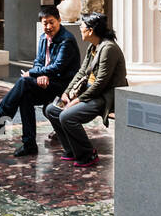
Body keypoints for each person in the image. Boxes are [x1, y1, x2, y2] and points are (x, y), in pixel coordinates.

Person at [0, 5, 80, 154]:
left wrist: (33, 74)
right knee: (26, 97)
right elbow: (38, 61)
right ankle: (29, 144)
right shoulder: (43, 38)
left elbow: (58, 68)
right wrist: (39, 74)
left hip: (63, 87)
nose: (48, 26)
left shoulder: (66, 40)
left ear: (59, 20)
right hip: (48, 82)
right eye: (45, 23)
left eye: (52, 22)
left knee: (24, 81)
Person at [44, 14, 128, 168]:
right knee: (51, 110)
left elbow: (101, 83)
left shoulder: (108, 48)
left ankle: (88, 154)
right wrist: (67, 92)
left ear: (90, 30)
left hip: (105, 97)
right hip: (89, 93)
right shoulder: (93, 46)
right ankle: (72, 150)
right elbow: (82, 72)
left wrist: (78, 100)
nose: (80, 29)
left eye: (82, 26)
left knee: (67, 116)